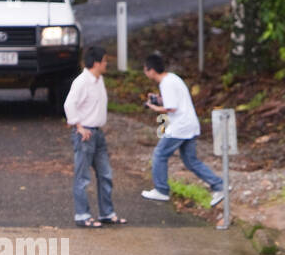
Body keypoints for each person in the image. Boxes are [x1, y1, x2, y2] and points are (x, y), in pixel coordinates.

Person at [139, 52, 225, 207]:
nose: (145, 73)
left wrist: (154, 106)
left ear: (151, 70)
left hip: (180, 126)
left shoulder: (166, 83)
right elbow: (174, 101)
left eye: (145, 70)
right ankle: (219, 186)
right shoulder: (172, 78)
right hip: (189, 124)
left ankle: (161, 190)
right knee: (190, 161)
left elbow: (171, 108)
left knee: (159, 154)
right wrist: (159, 99)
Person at [63, 45, 125, 227]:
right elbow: (69, 104)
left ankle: (107, 212)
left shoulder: (99, 80)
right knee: (83, 177)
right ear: (96, 63)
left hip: (98, 132)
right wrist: (78, 126)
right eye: (105, 61)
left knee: (105, 174)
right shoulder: (82, 81)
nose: (107, 64)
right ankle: (82, 215)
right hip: (86, 133)